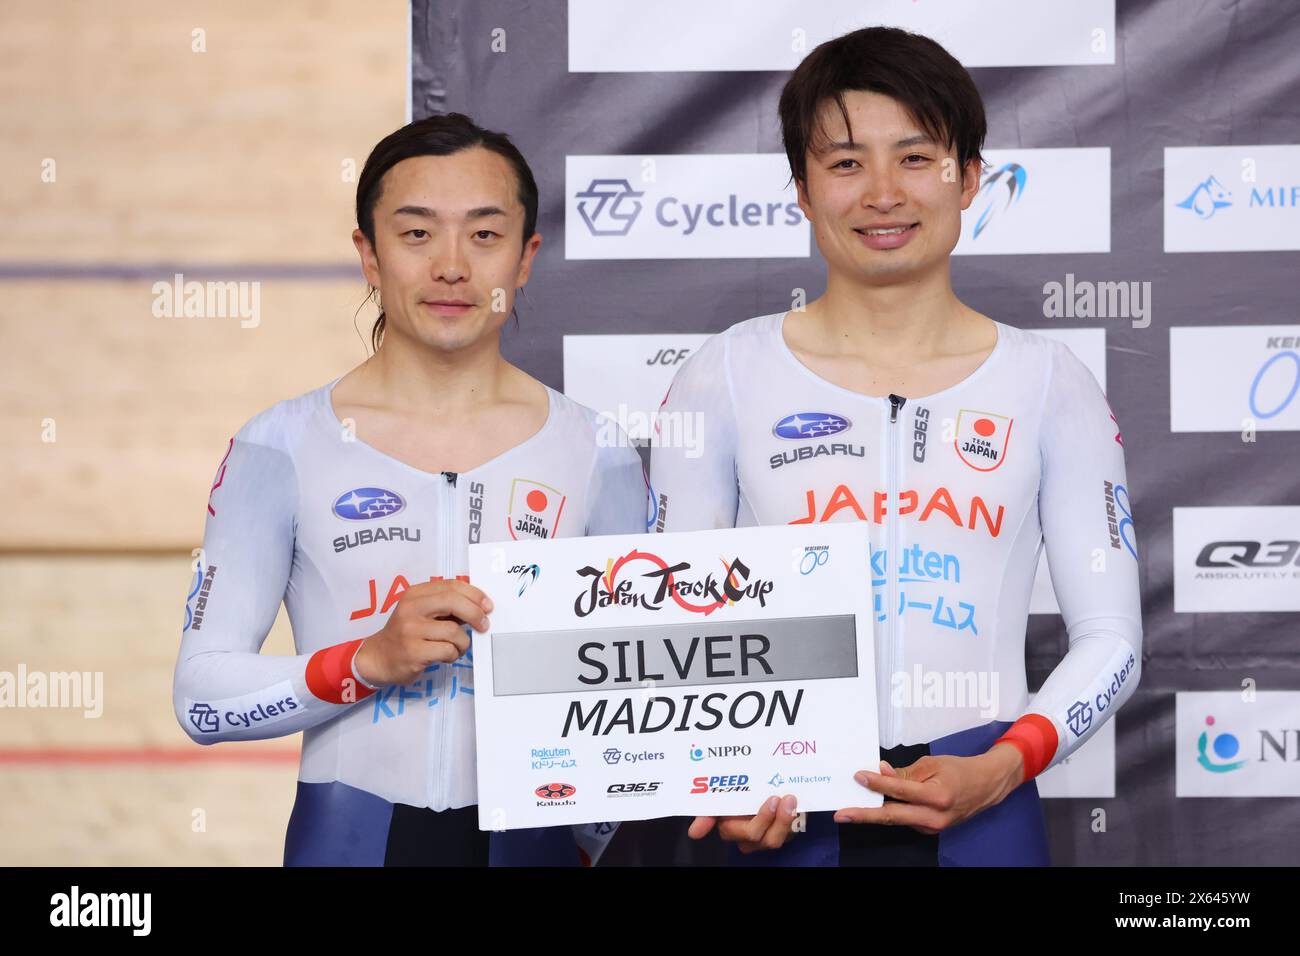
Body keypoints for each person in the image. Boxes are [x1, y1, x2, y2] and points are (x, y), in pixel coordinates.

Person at [650, 27, 1142, 866]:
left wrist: (1005, 763)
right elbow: (671, 626)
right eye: (845, 164)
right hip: (788, 810)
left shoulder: (1050, 380)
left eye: (916, 159)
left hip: (985, 806)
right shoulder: (722, 373)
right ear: (802, 192)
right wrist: (718, 780)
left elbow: (1113, 641)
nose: (882, 193)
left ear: (970, 179)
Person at [173, 113, 646, 866]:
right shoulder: (279, 444)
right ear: (368, 254)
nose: (452, 267)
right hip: (351, 839)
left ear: (526, 259)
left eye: (484, 235)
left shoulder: (600, 451)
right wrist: (364, 661)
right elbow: (201, 697)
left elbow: (644, 691)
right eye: (416, 234)